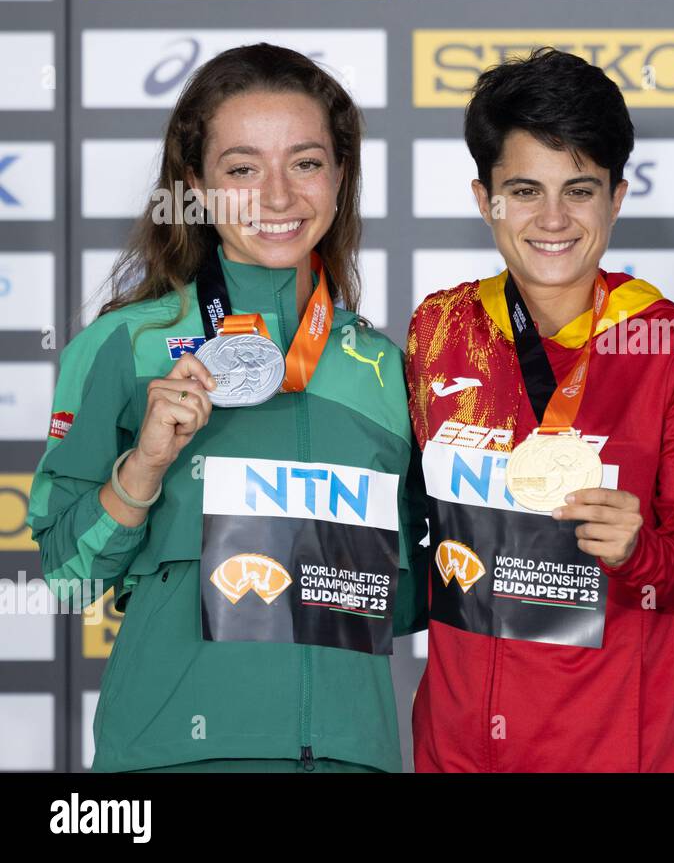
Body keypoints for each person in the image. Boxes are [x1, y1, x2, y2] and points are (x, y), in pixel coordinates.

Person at [27, 43, 428, 772]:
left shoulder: (388, 369)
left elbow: (399, 604)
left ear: (340, 178)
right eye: (243, 169)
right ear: (196, 186)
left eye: (305, 163)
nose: (277, 198)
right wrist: (143, 466)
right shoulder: (126, 345)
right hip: (172, 759)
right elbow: (65, 579)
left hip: (350, 757)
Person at [405, 47, 674, 771]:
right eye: (524, 190)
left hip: (626, 749)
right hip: (461, 751)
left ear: (617, 197)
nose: (552, 219)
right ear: (484, 199)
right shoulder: (438, 331)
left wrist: (639, 551)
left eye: (580, 190)